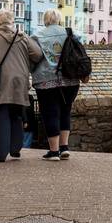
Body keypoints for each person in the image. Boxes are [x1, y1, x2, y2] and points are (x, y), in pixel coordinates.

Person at [0, 10, 44, 163]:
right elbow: (38, 54)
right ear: (12, 22)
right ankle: (15, 149)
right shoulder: (22, 36)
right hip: (19, 82)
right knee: (17, 116)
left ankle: (1, 154)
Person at [31, 9, 84, 161]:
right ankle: (64, 147)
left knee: (50, 113)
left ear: (45, 20)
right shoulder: (70, 33)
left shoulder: (38, 36)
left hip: (45, 81)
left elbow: (33, 56)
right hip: (70, 79)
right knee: (65, 111)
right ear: (59, 19)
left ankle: (54, 151)